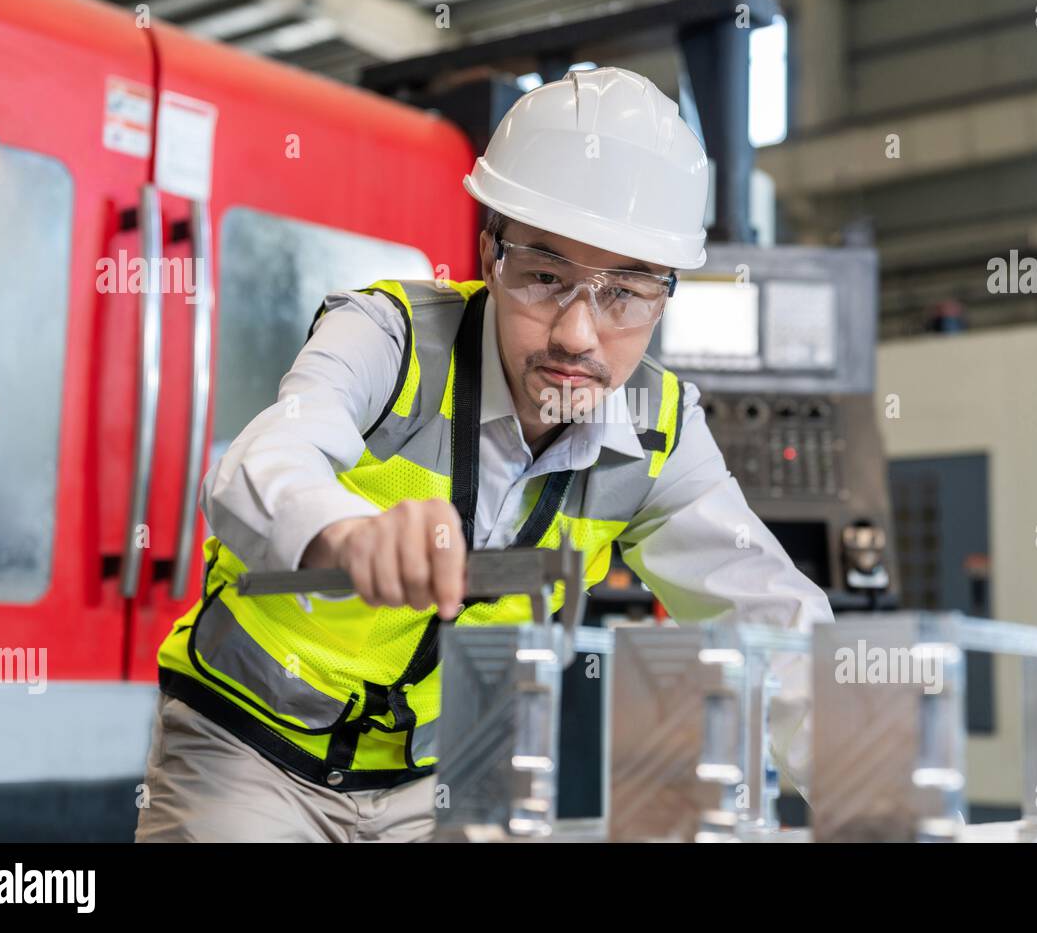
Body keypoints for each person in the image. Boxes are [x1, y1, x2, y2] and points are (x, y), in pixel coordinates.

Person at [135, 66, 833, 843]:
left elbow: (769, 613)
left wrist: (868, 790)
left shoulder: (658, 430)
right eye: (543, 275)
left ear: (664, 297)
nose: (576, 333)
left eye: (624, 294)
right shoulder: (391, 336)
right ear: (488, 257)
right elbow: (262, 462)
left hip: (435, 783)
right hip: (252, 751)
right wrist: (349, 534)